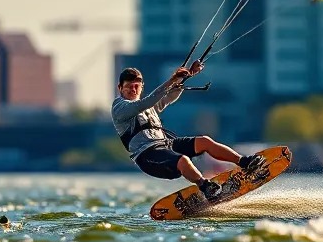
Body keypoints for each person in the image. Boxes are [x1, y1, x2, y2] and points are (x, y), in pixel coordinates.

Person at [111, 63, 267, 202]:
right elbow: (148, 101)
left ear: (141, 86)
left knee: (204, 141)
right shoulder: (120, 107)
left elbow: (168, 97)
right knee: (183, 160)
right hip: (147, 156)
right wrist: (172, 80)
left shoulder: (149, 107)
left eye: (136, 86)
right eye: (129, 86)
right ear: (120, 88)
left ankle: (245, 162)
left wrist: (187, 75)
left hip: (166, 145)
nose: (133, 89)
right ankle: (205, 187)